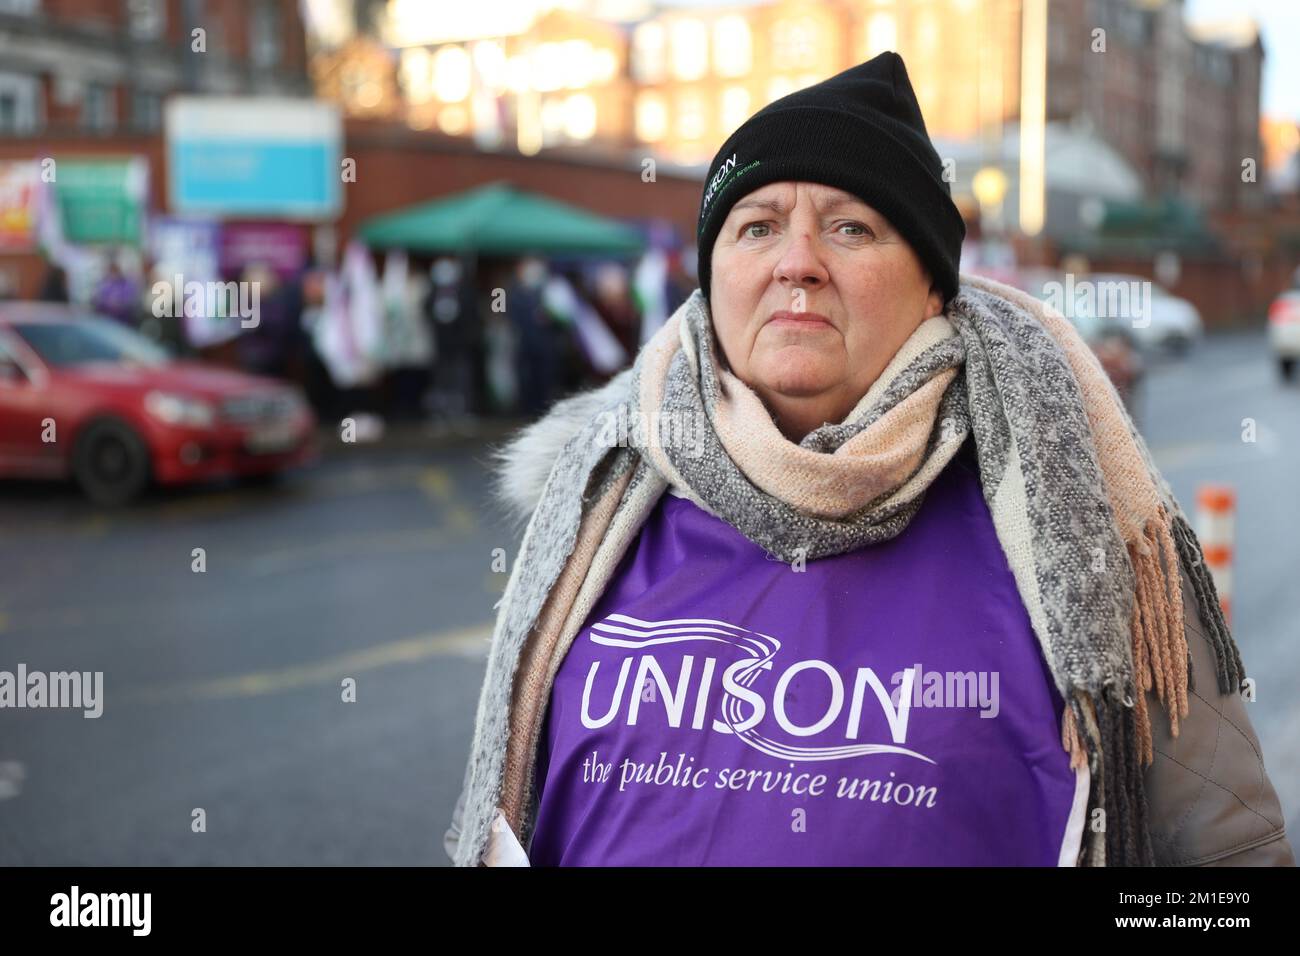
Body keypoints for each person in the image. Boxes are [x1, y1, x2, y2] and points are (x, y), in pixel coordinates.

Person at [444, 52, 1293, 867]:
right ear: (712, 279)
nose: (798, 262)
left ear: (934, 288)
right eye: (757, 226)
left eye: (852, 227)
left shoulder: (1077, 515)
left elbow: (1226, 864)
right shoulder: (602, 499)